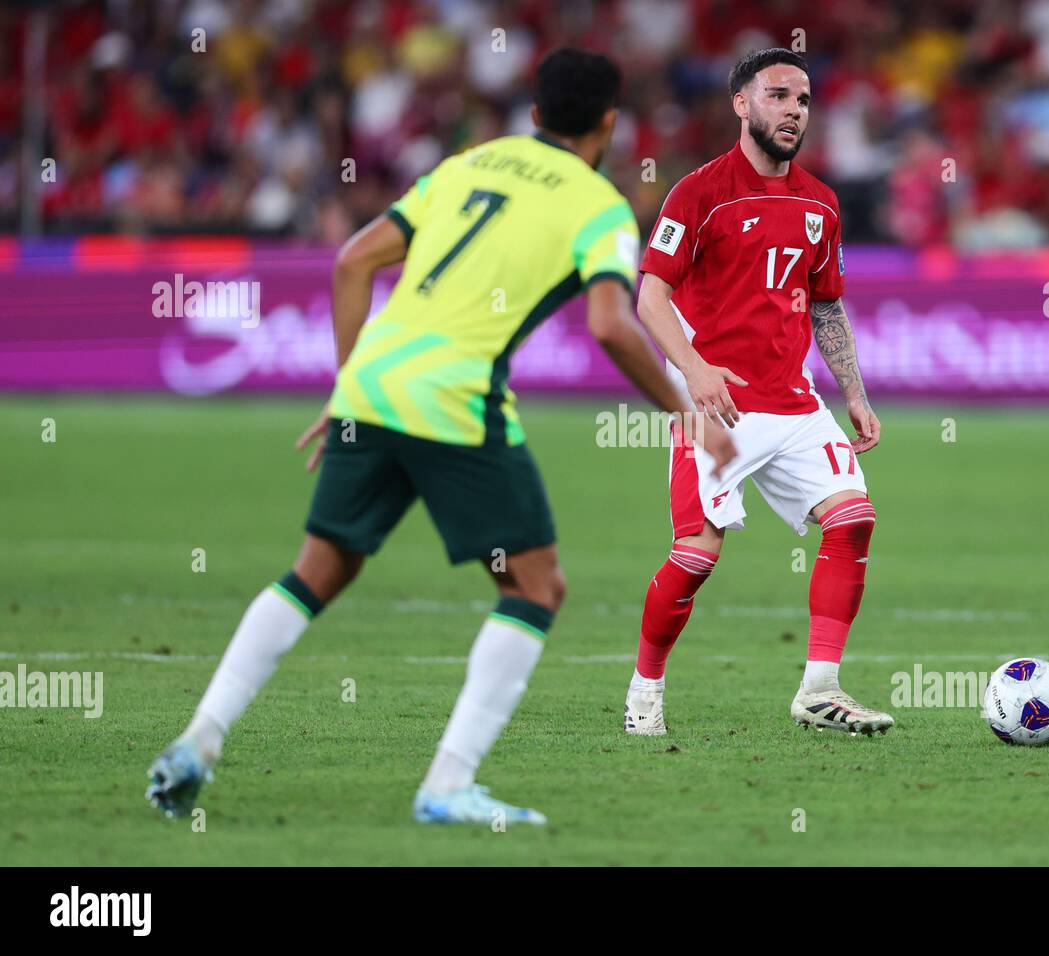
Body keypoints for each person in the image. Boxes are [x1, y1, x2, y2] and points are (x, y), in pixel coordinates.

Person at [147, 47, 735, 827]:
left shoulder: (469, 163)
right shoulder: (597, 205)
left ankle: (198, 741)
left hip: (373, 384)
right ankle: (448, 784)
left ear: (531, 116)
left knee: (316, 570)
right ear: (609, 123)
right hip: (456, 399)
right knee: (535, 587)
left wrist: (348, 386)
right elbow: (610, 323)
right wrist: (685, 409)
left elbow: (354, 261)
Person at [624, 48, 893, 737]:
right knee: (696, 557)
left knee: (853, 518)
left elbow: (827, 306)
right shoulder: (699, 192)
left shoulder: (821, 203)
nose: (793, 111)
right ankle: (645, 689)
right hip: (718, 409)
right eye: (777, 96)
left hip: (796, 403)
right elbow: (649, 295)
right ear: (741, 104)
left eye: (802, 100)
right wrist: (693, 369)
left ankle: (819, 689)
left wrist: (854, 392)